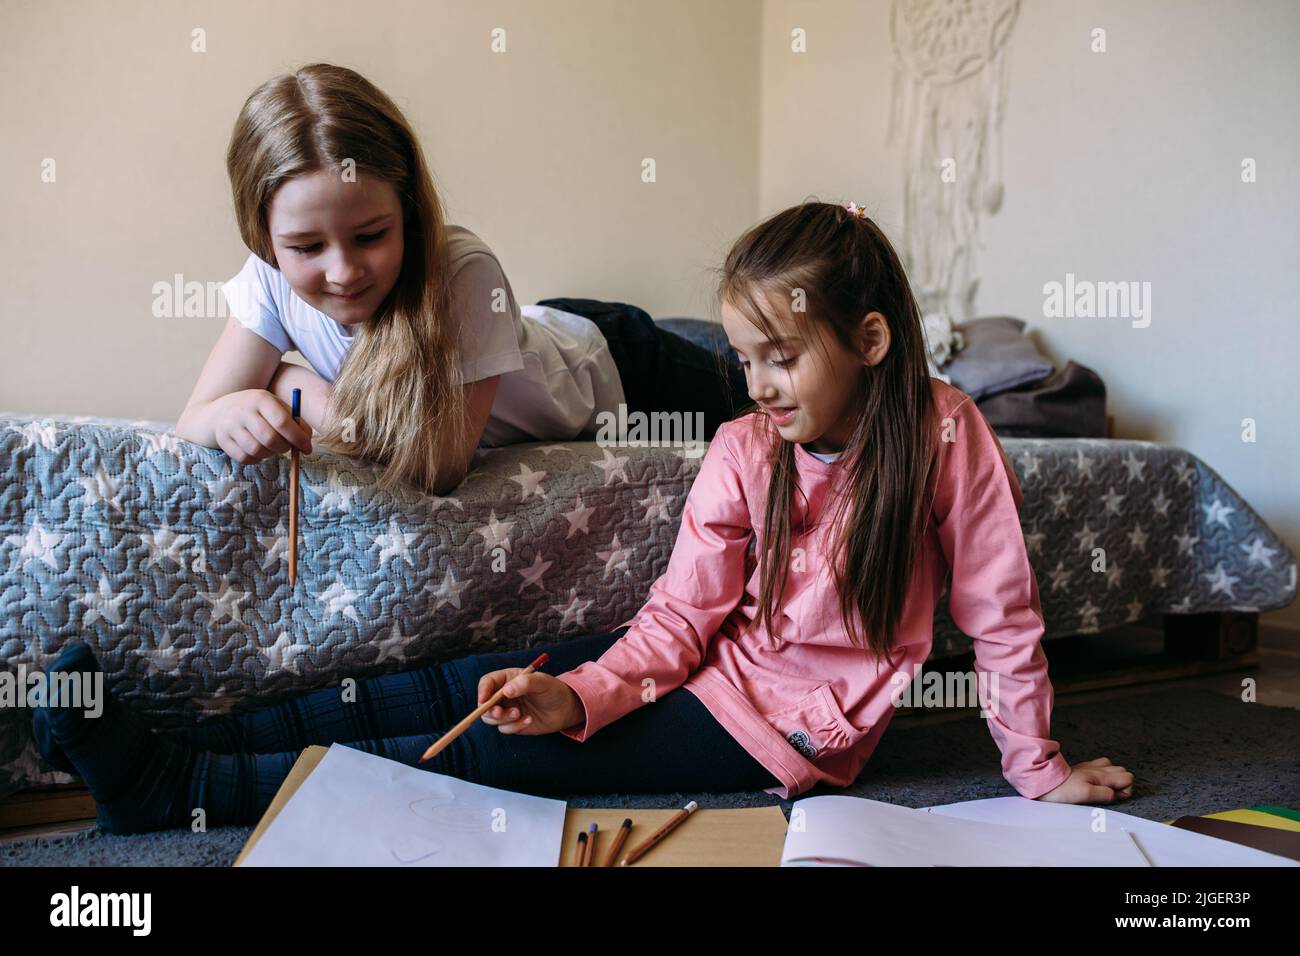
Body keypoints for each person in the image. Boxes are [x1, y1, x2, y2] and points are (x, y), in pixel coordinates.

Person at [35, 200, 1133, 835]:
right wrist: (581, 686)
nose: (755, 384)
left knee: (469, 755)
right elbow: (676, 615)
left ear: (875, 341)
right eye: (741, 359)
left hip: (778, 735)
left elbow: (1001, 612)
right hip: (700, 661)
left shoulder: (946, 435)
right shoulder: (745, 446)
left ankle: (178, 790)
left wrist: (1037, 769)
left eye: (780, 358)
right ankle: (179, 738)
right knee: (455, 684)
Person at [175, 62, 747, 496]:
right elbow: (195, 417)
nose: (345, 271)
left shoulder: (462, 272)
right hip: (522, 343)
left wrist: (286, 385)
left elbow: (436, 467)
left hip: (616, 366)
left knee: (771, 394)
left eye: (371, 236)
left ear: (410, 213)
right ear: (264, 238)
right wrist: (230, 412)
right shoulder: (267, 280)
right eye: (306, 247)